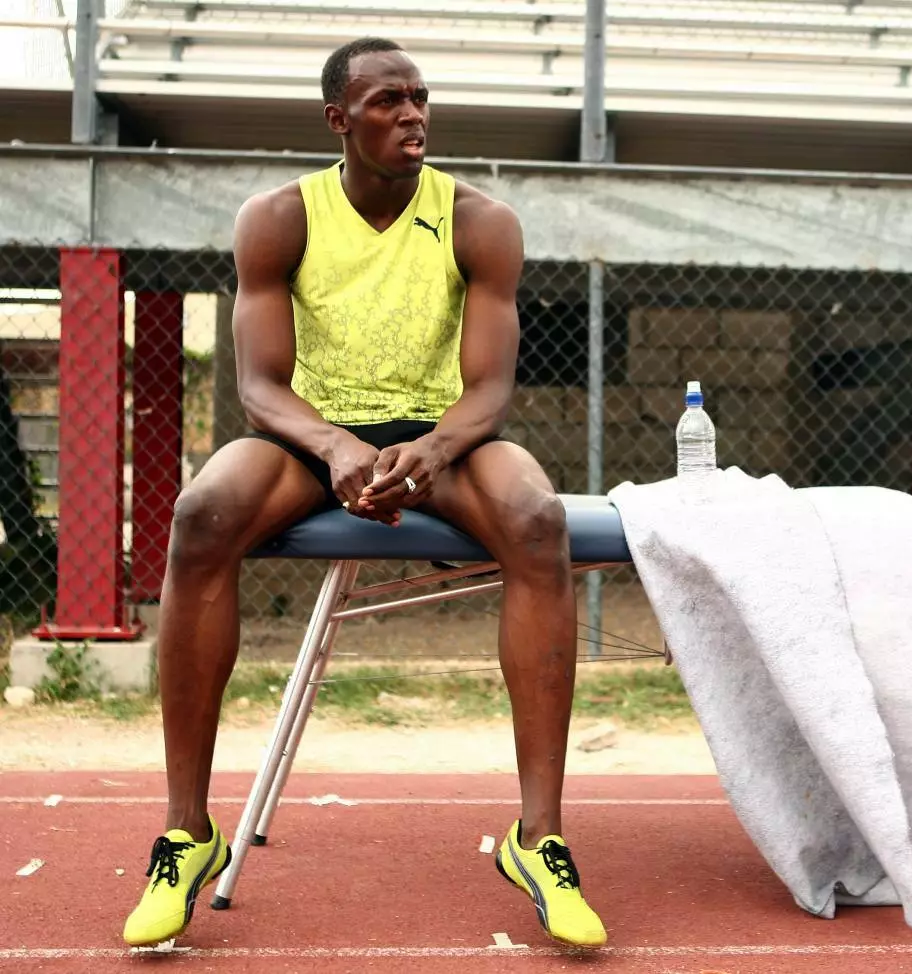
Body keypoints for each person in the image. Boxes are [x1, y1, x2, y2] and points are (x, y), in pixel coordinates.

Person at [122, 36, 606, 950]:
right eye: (388, 101)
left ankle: (537, 838)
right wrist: (335, 445)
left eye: (421, 98)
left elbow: (490, 390)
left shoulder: (479, 220)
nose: (413, 115)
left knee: (540, 520)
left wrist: (429, 448)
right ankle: (187, 835)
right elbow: (261, 385)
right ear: (339, 120)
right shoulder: (278, 217)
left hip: (446, 440)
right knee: (201, 514)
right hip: (312, 441)